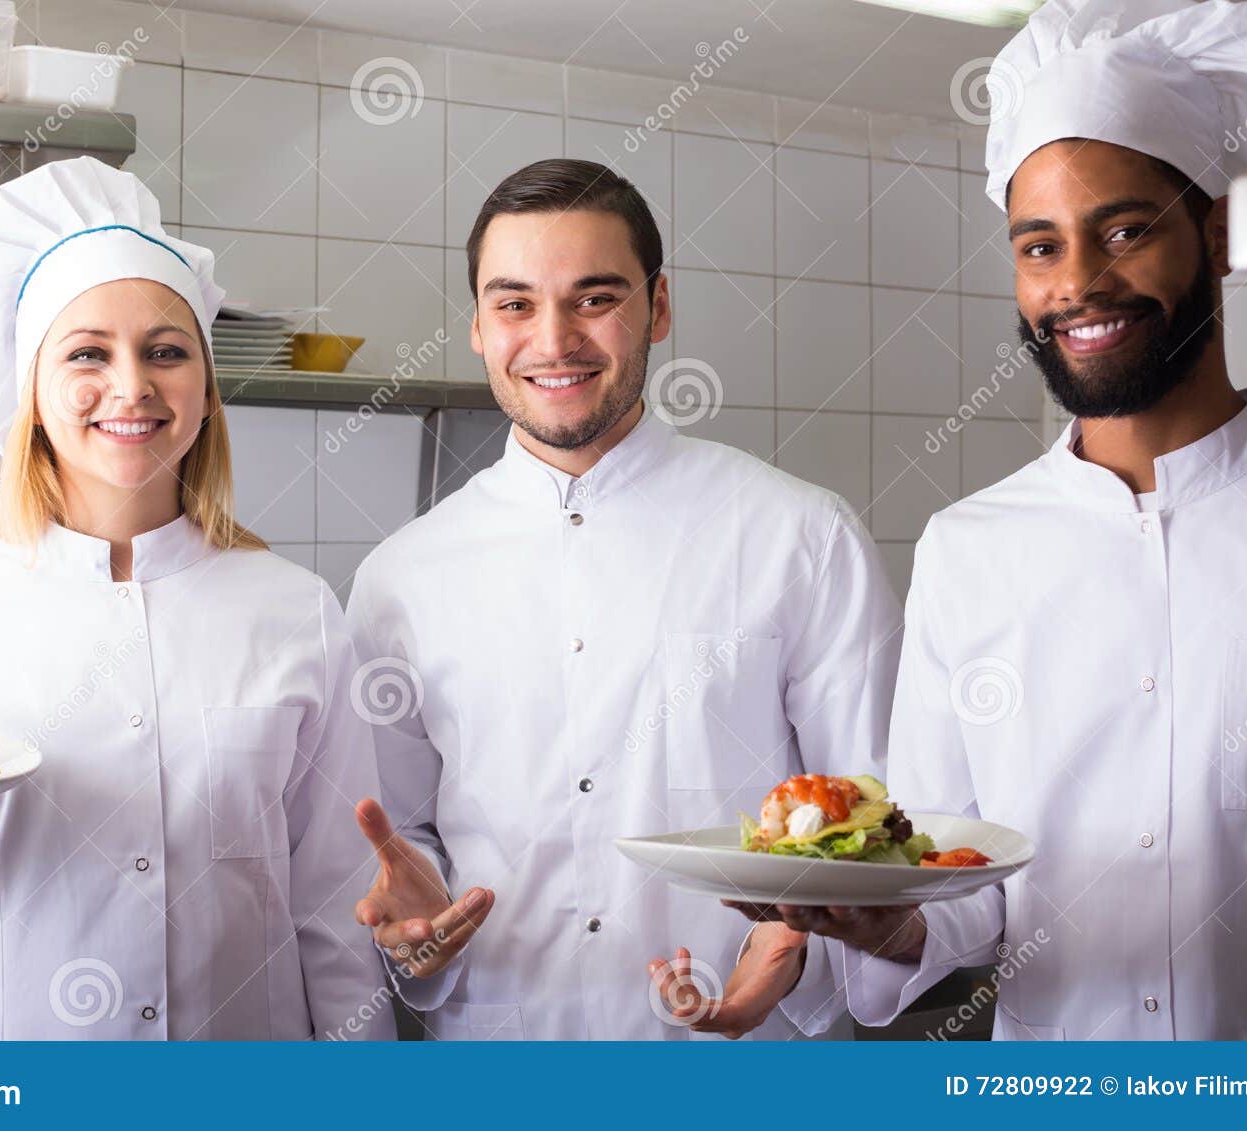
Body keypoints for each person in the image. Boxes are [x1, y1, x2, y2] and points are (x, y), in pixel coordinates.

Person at [729, 0, 1247, 1040]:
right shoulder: (971, 550)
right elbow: (959, 876)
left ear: (1219, 233)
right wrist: (883, 926)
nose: (1077, 284)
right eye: (1039, 247)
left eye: (1124, 229)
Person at [0, 157, 393, 1041]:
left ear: (208, 387)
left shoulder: (296, 611)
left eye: (166, 350)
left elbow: (339, 911)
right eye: (87, 353)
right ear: (30, 388)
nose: (132, 384)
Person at [345, 158, 900, 1040]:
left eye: (595, 297)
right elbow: (404, 850)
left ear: (661, 306)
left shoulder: (801, 536)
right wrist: (416, 939)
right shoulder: (401, 578)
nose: (554, 339)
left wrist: (806, 937)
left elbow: (872, 822)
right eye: (515, 303)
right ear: (480, 329)